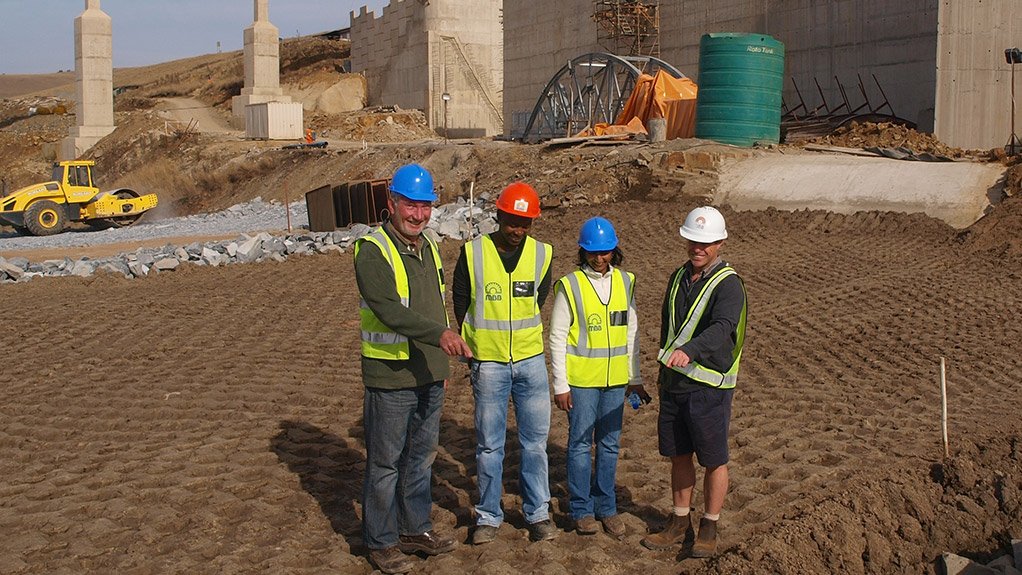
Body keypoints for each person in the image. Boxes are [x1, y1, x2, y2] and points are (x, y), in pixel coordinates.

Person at [353, 163, 473, 574]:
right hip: (390, 376)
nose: (419, 215)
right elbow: (388, 309)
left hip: (428, 372)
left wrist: (440, 361)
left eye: (426, 207)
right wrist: (441, 336)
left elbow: (435, 304)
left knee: (420, 459)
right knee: (385, 463)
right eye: (410, 205)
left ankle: (414, 528)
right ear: (392, 204)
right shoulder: (372, 249)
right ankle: (382, 541)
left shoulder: (430, 247)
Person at [640, 206, 747, 558]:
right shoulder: (678, 277)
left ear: (720, 243)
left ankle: (709, 526)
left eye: (706, 243)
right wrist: (663, 372)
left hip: (708, 387)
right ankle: (679, 521)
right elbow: (666, 327)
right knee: (679, 455)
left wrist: (690, 351)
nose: (698, 248)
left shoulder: (729, 284)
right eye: (693, 241)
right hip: (674, 383)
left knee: (714, 459)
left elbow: (722, 328)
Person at [452, 181, 556, 544]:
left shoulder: (543, 254)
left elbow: (538, 300)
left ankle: (538, 513)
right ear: (499, 217)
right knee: (489, 446)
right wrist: (474, 351)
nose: (518, 231)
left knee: (534, 444)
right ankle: (488, 516)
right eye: (513, 222)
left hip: (530, 361)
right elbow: (461, 300)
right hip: (489, 364)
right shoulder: (473, 252)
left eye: (526, 224)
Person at [548, 216, 651, 539]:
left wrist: (634, 377)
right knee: (579, 444)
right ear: (582, 251)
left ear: (614, 251)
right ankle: (581, 509)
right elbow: (557, 336)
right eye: (593, 252)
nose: (599, 258)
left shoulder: (625, 282)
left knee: (609, 444)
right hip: (582, 381)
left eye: (605, 252)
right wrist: (560, 384)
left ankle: (606, 507)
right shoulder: (570, 285)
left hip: (615, 380)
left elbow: (631, 332)